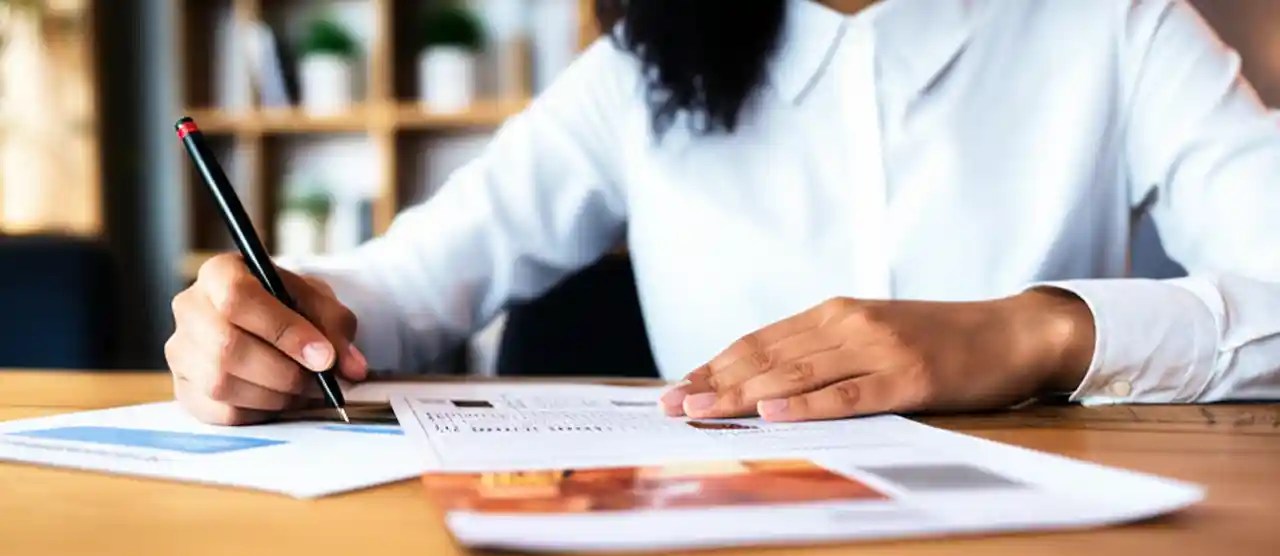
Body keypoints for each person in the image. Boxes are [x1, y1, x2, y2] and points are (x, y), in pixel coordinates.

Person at [167, 0, 1280, 426]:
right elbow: (404, 285)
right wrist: (286, 314)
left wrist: (1033, 332)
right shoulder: (640, 71)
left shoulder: (1113, 27)